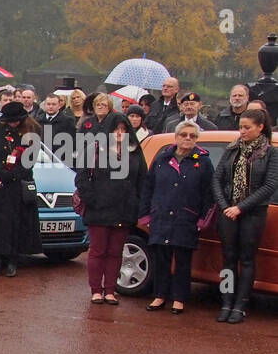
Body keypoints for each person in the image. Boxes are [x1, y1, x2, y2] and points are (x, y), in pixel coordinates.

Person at [138, 121, 215, 314]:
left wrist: (202, 219)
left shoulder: (203, 161)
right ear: (176, 137)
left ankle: (179, 299)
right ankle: (159, 296)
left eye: (192, 136)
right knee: (161, 259)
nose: (188, 139)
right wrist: (145, 215)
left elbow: (209, 193)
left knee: (183, 261)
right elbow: (148, 187)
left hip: (186, 218)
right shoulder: (163, 158)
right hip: (161, 216)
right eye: (184, 135)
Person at [212, 108, 277, 323]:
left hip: (253, 213)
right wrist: (225, 206)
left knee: (247, 260)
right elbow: (217, 179)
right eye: (240, 127)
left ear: (260, 128)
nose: (242, 131)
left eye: (247, 128)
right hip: (228, 212)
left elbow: (269, 185)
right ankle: (226, 301)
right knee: (228, 259)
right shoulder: (232, 149)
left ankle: (240, 305)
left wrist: (241, 207)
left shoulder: (270, 152)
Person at [74, 114, 146, 305]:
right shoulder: (95, 149)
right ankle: (96, 290)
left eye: (124, 129)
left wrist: (136, 203)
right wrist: (92, 200)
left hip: (124, 209)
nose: (120, 133)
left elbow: (142, 179)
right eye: (116, 129)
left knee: (115, 252)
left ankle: (110, 290)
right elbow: (81, 178)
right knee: (98, 251)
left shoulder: (135, 151)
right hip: (99, 209)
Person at [0, 102, 43, 276]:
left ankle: (13, 259)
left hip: (18, 182)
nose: (12, 124)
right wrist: (0, 170)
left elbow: (30, 159)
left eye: (14, 121)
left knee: (16, 222)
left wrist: (13, 174)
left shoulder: (32, 131)